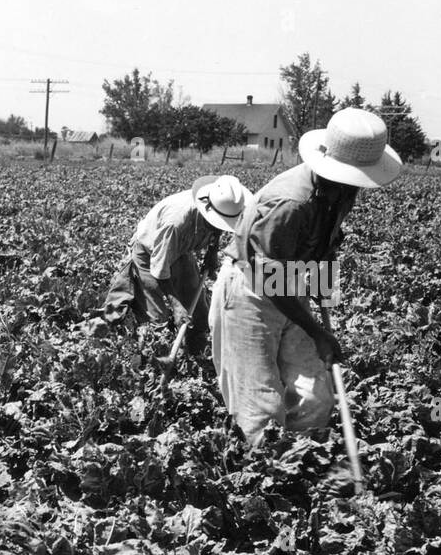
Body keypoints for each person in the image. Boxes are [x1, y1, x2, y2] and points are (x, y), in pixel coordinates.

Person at [210, 107, 403, 447]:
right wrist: (317, 332)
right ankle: (261, 487)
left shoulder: (341, 193)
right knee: (260, 409)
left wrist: (324, 296)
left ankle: (301, 469)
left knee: (316, 399)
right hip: (251, 292)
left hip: (290, 284)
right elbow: (270, 280)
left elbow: (326, 246)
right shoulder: (290, 203)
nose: (356, 187)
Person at [101, 175, 252, 353]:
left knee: (200, 315)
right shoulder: (175, 223)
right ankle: (144, 352)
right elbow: (160, 267)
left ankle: (194, 353)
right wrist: (176, 306)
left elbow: (219, 227)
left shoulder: (222, 205)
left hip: (181, 251)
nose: (221, 228)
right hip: (150, 254)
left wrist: (212, 252)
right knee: (158, 322)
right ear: (207, 213)